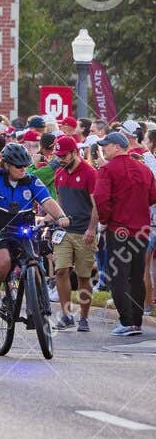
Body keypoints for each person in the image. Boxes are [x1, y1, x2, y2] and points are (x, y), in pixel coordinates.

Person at [0, 142, 70, 323]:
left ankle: (37, 308)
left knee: (34, 263)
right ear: (6, 165)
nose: (23, 170)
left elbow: (47, 200)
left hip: (22, 228)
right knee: (3, 262)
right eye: (18, 166)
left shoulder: (31, 180)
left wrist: (61, 216)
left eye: (25, 166)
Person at [90, 131, 156, 337]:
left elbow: (100, 198)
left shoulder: (107, 170)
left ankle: (127, 321)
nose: (103, 149)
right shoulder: (144, 169)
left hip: (118, 228)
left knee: (117, 275)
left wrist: (106, 220)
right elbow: (153, 196)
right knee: (136, 275)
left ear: (117, 146)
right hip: (142, 228)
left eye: (106, 146)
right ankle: (136, 322)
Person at [49, 134, 99, 332]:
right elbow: (59, 200)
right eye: (58, 155)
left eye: (63, 155)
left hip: (83, 231)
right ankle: (66, 314)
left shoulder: (89, 173)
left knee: (83, 276)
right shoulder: (59, 173)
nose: (60, 159)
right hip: (64, 231)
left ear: (74, 153)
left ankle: (84, 318)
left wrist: (91, 229)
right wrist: (54, 219)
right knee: (61, 271)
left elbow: (96, 206)